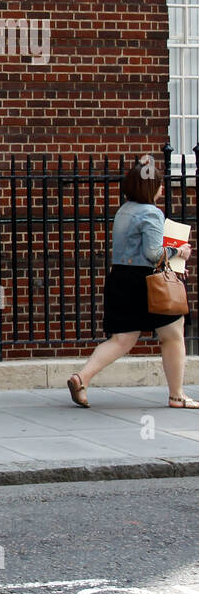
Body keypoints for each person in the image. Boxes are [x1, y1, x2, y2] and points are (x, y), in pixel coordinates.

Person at [69, 160, 198, 409]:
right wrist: (178, 251)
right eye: (159, 185)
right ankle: (177, 395)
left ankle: (80, 378)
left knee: (122, 339)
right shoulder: (151, 213)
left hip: (120, 279)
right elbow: (153, 253)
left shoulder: (124, 211)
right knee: (173, 334)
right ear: (151, 187)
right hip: (146, 283)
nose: (162, 189)